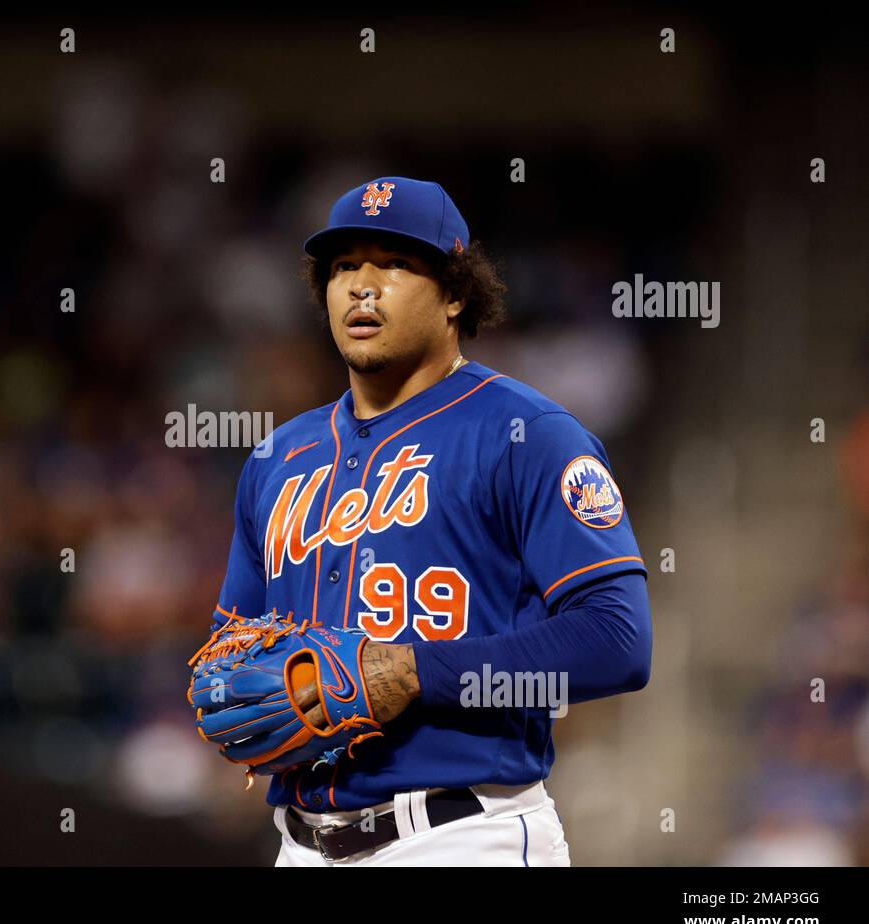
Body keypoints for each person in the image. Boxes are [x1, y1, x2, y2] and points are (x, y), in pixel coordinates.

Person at [208, 176, 653, 866]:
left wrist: (417, 673)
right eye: (344, 265)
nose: (362, 284)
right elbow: (230, 647)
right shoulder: (277, 457)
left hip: (461, 834)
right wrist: (246, 691)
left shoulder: (527, 433)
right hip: (299, 844)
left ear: (454, 294)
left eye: (394, 263)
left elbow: (617, 643)